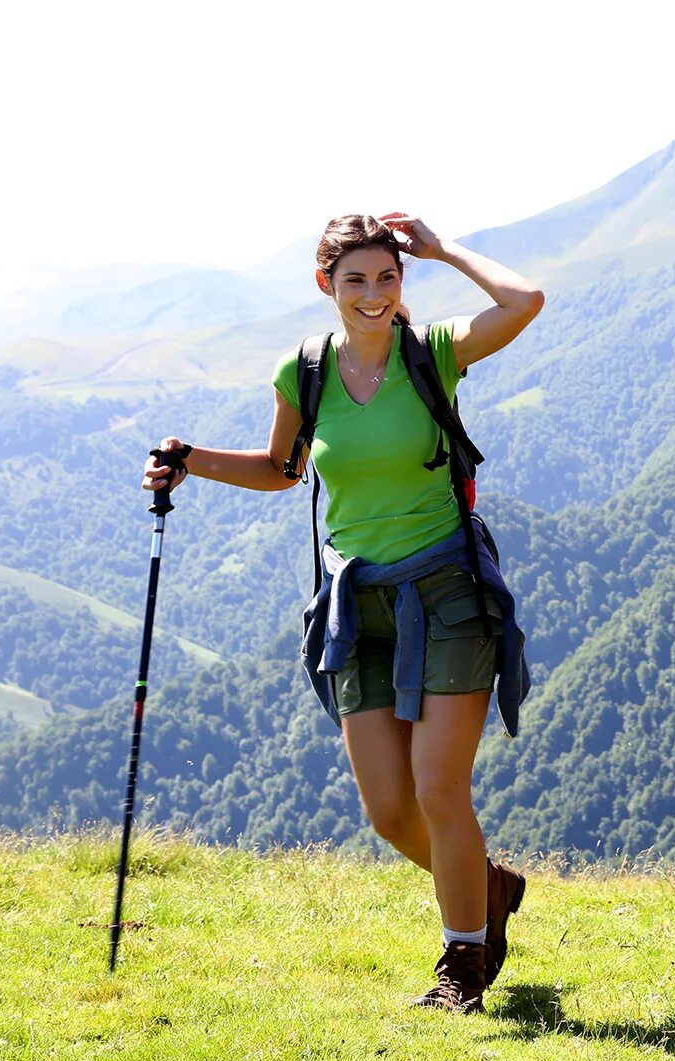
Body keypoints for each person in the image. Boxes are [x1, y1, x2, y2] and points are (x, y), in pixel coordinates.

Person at [141, 213, 544, 1014]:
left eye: (387, 279)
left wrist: (441, 248)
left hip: (449, 591)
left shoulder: (430, 353)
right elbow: (282, 468)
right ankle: (488, 888)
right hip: (354, 603)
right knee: (390, 811)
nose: (372, 295)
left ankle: (463, 959)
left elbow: (524, 300)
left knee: (438, 789)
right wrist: (194, 464)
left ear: (402, 284)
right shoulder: (306, 373)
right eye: (355, 280)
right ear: (325, 285)